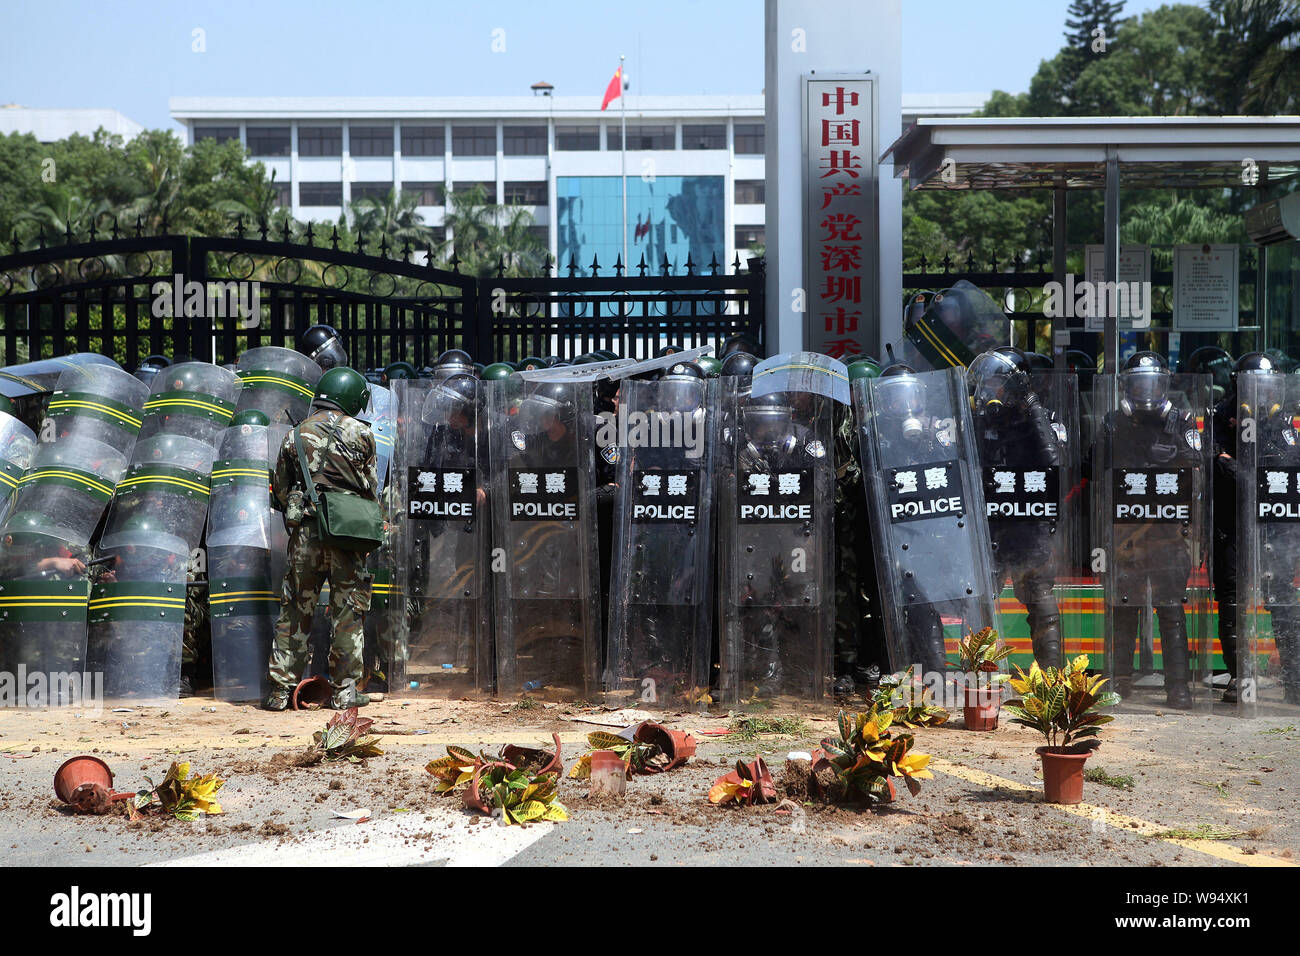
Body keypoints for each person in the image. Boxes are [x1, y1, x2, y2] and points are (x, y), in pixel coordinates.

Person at [263, 366, 379, 711]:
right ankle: (345, 692)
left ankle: (280, 692)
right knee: (348, 611)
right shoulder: (362, 434)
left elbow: (281, 490)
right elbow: (371, 486)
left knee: (295, 609)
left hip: (306, 537)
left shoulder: (295, 434)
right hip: (348, 535)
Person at [1099, 351, 1204, 709]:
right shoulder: (1114, 422)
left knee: (1171, 608)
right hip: (1126, 533)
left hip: (1167, 532)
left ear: (1164, 385)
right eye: (1138, 384)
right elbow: (1097, 469)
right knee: (1123, 607)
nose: (1144, 391)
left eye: (1151, 383)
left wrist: (1174, 456)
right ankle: (1120, 681)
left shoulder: (1181, 422)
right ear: (1126, 387)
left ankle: (1178, 686)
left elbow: (1197, 470)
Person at [968, 347, 1064, 668]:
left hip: (1028, 524)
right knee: (982, 603)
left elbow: (1054, 461)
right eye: (986, 383)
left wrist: (1031, 404)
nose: (988, 391)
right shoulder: (982, 420)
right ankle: (982, 684)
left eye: (996, 383)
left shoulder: (1044, 418)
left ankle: (1052, 681)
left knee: (1039, 597)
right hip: (990, 524)